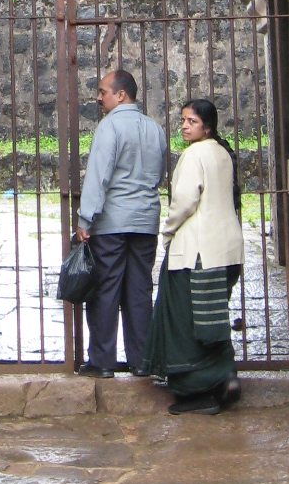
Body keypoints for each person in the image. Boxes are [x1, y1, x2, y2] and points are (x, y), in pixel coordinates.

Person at [144, 97, 244, 415]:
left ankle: (200, 389)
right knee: (212, 317)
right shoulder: (223, 153)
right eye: (184, 120)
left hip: (199, 253)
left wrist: (168, 232)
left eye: (193, 122)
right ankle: (224, 379)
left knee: (188, 324)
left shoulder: (194, 154)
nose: (186, 126)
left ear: (208, 126)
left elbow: (185, 201)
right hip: (227, 250)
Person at [74, 68, 168, 379]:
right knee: (140, 290)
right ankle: (143, 360)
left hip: (112, 222)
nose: (98, 97)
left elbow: (99, 176)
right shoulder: (156, 129)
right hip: (145, 220)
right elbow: (158, 175)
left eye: (103, 91)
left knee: (105, 290)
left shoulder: (109, 128)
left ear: (121, 94)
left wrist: (85, 219)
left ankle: (102, 361)